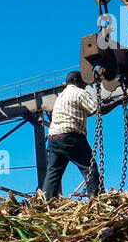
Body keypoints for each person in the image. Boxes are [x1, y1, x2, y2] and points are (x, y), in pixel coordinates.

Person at [41, 71, 121, 199]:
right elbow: (99, 110)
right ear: (78, 81)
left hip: (54, 138)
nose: (86, 85)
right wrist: (118, 102)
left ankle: (45, 201)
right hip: (71, 137)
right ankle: (97, 198)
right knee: (89, 167)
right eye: (84, 82)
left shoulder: (61, 96)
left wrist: (106, 101)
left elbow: (87, 110)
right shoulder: (79, 93)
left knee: (54, 172)